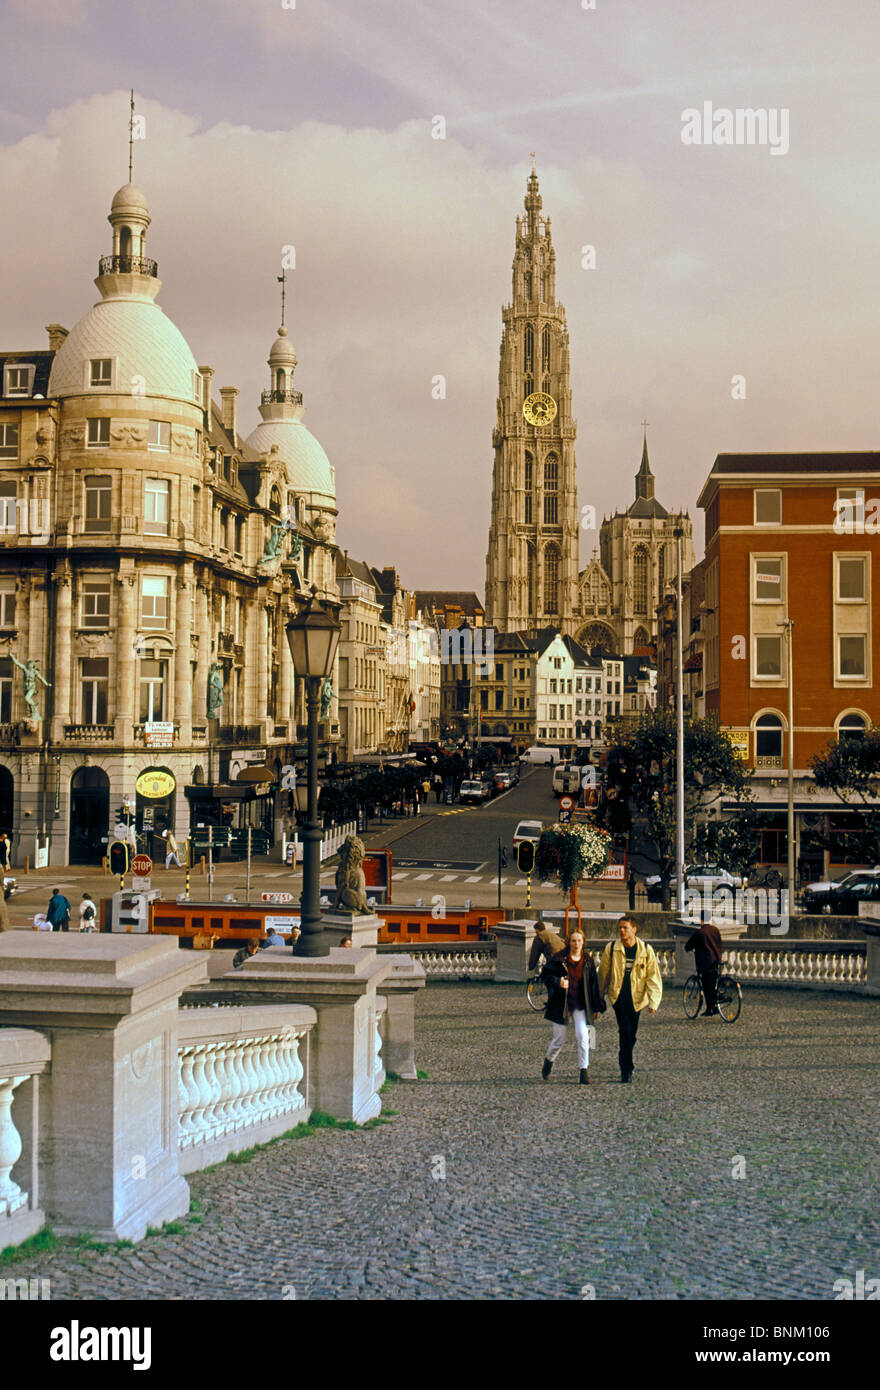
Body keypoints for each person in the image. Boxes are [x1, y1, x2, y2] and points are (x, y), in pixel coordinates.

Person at [598, 917, 663, 1083]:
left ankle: (627, 1062)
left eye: (625, 928)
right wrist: (598, 1000)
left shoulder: (646, 950)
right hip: (618, 997)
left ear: (634, 929)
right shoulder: (612, 948)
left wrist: (653, 1001)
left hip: (637, 998)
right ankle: (625, 1068)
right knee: (624, 1032)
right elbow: (603, 975)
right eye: (620, 928)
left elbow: (653, 976)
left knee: (631, 1034)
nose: (621, 931)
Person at [541, 928, 604, 1085]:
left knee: (583, 1036)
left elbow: (593, 986)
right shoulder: (559, 959)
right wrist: (558, 982)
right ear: (569, 942)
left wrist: (596, 1007)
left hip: (580, 1005)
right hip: (561, 1004)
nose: (576, 944)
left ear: (583, 943)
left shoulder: (588, 962)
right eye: (574, 941)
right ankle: (548, 1062)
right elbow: (545, 975)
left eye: (579, 941)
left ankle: (584, 1071)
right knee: (559, 1039)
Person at [685, 915, 723, 1017]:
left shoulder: (700, 932)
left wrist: (689, 948)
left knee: (706, 985)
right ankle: (714, 1006)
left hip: (705, 962)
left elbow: (688, 946)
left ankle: (710, 1008)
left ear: (701, 920)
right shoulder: (715, 930)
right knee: (713, 983)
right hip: (716, 960)